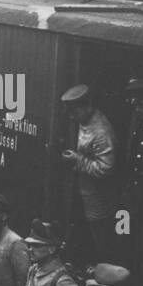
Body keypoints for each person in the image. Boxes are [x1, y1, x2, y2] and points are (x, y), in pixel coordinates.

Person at [59, 84, 118, 264]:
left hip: (98, 199)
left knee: (102, 241)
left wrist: (78, 160)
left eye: (75, 112)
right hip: (83, 193)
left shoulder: (101, 132)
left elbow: (105, 168)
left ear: (87, 106)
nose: (72, 117)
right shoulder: (83, 120)